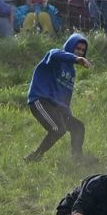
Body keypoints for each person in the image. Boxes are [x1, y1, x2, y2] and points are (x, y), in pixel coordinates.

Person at [25, 33, 92, 162]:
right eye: (77, 48)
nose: (80, 52)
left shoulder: (71, 72)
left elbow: (65, 97)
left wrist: (68, 115)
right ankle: (35, 156)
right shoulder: (55, 55)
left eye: (83, 51)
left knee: (78, 127)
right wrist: (77, 59)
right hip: (40, 100)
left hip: (57, 107)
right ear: (70, 46)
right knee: (57, 129)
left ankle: (77, 158)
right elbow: (54, 54)